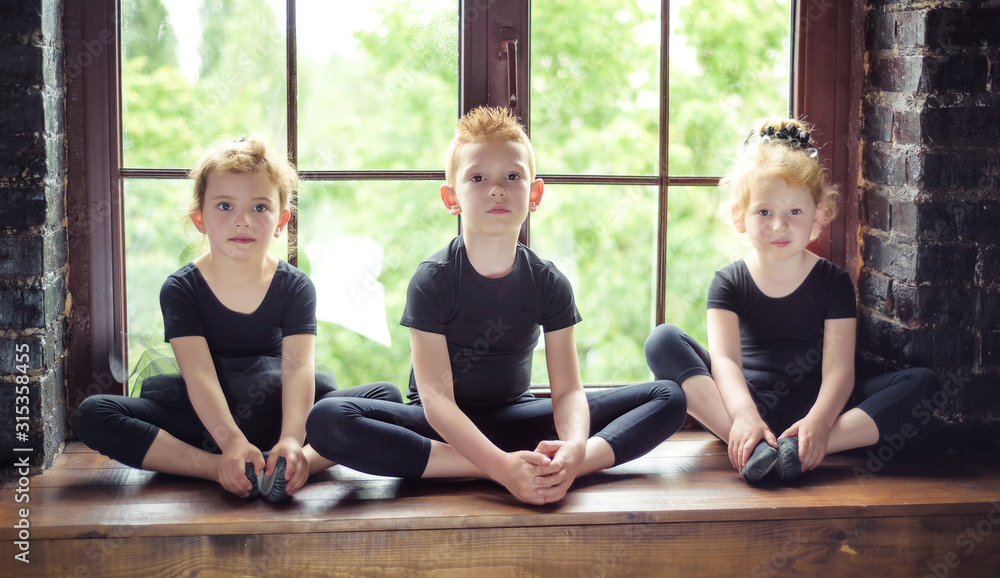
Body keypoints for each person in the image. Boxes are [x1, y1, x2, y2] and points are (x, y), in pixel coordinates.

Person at [306, 106, 687, 505]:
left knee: (668, 397)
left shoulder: (549, 282)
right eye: (477, 178)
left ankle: (559, 468)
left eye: (512, 176)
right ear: (450, 198)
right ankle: (497, 468)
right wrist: (501, 467)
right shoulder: (433, 279)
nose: (496, 189)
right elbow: (435, 400)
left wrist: (573, 446)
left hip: (514, 421)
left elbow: (569, 391)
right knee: (327, 420)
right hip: (442, 430)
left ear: (534, 193)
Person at [77, 138, 402, 501]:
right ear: (200, 218)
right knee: (95, 413)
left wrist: (293, 438)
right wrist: (230, 441)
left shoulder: (294, 286)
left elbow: (297, 368)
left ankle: (299, 462)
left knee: (384, 397)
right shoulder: (181, 288)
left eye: (259, 207)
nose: (243, 221)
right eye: (225, 206)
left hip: (278, 410)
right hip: (202, 419)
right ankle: (217, 466)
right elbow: (198, 374)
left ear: (281, 221)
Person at [644, 117, 940, 485]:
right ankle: (752, 443)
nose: (779, 226)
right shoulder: (728, 282)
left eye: (794, 212)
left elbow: (838, 370)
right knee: (662, 341)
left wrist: (819, 419)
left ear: (818, 214)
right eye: (764, 212)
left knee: (922, 383)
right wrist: (744, 414)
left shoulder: (833, 282)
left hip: (818, 408)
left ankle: (806, 446)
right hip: (748, 404)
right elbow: (726, 363)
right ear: (740, 216)